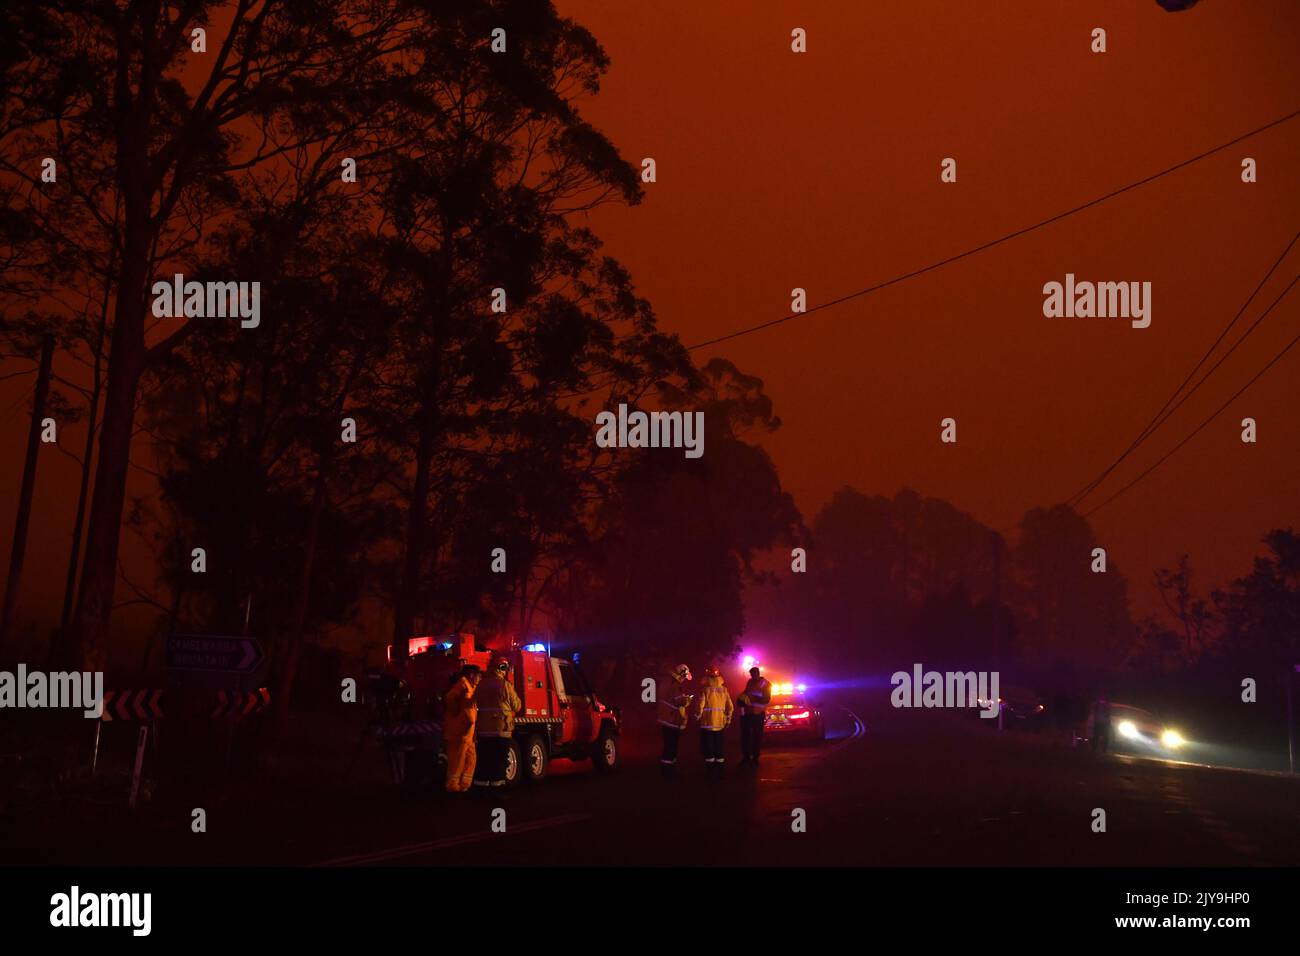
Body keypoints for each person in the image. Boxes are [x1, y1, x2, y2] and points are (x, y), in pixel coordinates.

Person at [474, 656, 522, 788]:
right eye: (505, 667)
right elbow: (517, 706)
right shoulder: (505, 685)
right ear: (502, 668)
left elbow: (474, 702)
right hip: (501, 730)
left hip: (483, 731)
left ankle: (481, 786)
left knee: (484, 760)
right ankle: (498, 788)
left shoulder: (481, 685)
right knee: (500, 760)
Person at [443, 664, 481, 792]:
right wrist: (456, 713)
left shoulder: (471, 687)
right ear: (471, 675)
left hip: (467, 733)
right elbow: (450, 698)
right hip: (459, 732)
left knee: (471, 758)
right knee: (457, 761)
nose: (479, 678)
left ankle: (464, 784)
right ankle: (452, 786)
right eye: (477, 675)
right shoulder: (463, 684)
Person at [695, 665, 734, 778]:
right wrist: (728, 719)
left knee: (708, 748)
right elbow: (730, 707)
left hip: (707, 724)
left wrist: (696, 716)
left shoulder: (705, 689)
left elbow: (700, 705)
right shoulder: (724, 689)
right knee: (719, 747)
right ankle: (720, 771)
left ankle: (710, 772)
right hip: (720, 724)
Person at [658, 663, 693, 777]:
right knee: (672, 746)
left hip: (664, 717)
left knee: (667, 745)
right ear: (681, 674)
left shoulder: (666, 681)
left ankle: (665, 769)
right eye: (684, 676)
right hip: (672, 719)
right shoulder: (675, 684)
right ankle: (669, 771)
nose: (684, 679)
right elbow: (679, 701)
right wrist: (687, 699)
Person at [737, 666, 772, 766]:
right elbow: (746, 693)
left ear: (758, 673)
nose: (752, 676)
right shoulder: (750, 682)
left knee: (757, 736)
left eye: (753, 674)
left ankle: (755, 757)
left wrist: (752, 698)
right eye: (751, 674)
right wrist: (741, 698)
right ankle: (746, 756)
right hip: (748, 713)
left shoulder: (765, 683)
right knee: (746, 736)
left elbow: (766, 699)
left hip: (758, 713)